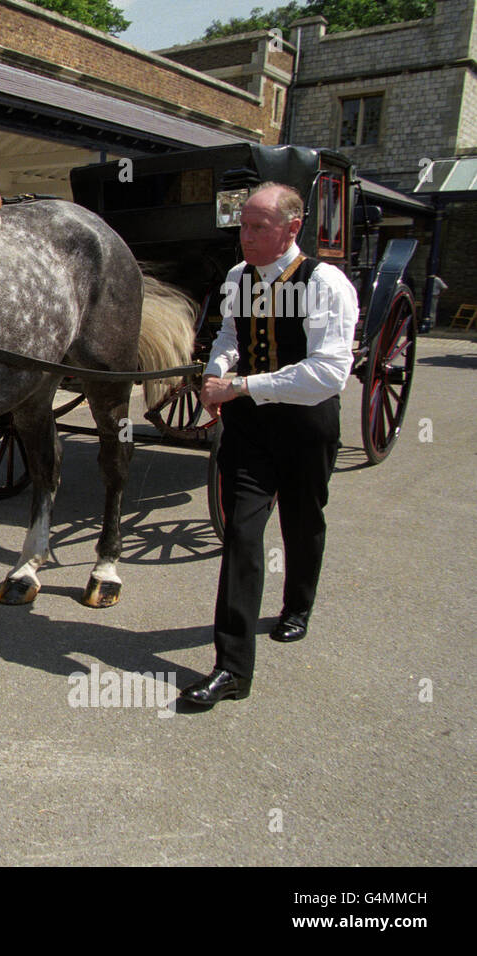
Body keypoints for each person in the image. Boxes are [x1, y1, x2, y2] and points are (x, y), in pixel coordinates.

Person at [181, 181, 359, 707]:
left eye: (259, 227)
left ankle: (297, 605)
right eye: (243, 225)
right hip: (251, 428)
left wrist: (240, 387)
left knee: (302, 520)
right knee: (241, 536)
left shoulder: (325, 282)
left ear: (292, 228)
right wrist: (217, 373)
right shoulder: (239, 277)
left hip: (306, 424)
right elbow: (231, 336)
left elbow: (329, 373)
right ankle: (231, 667)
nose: (247, 236)